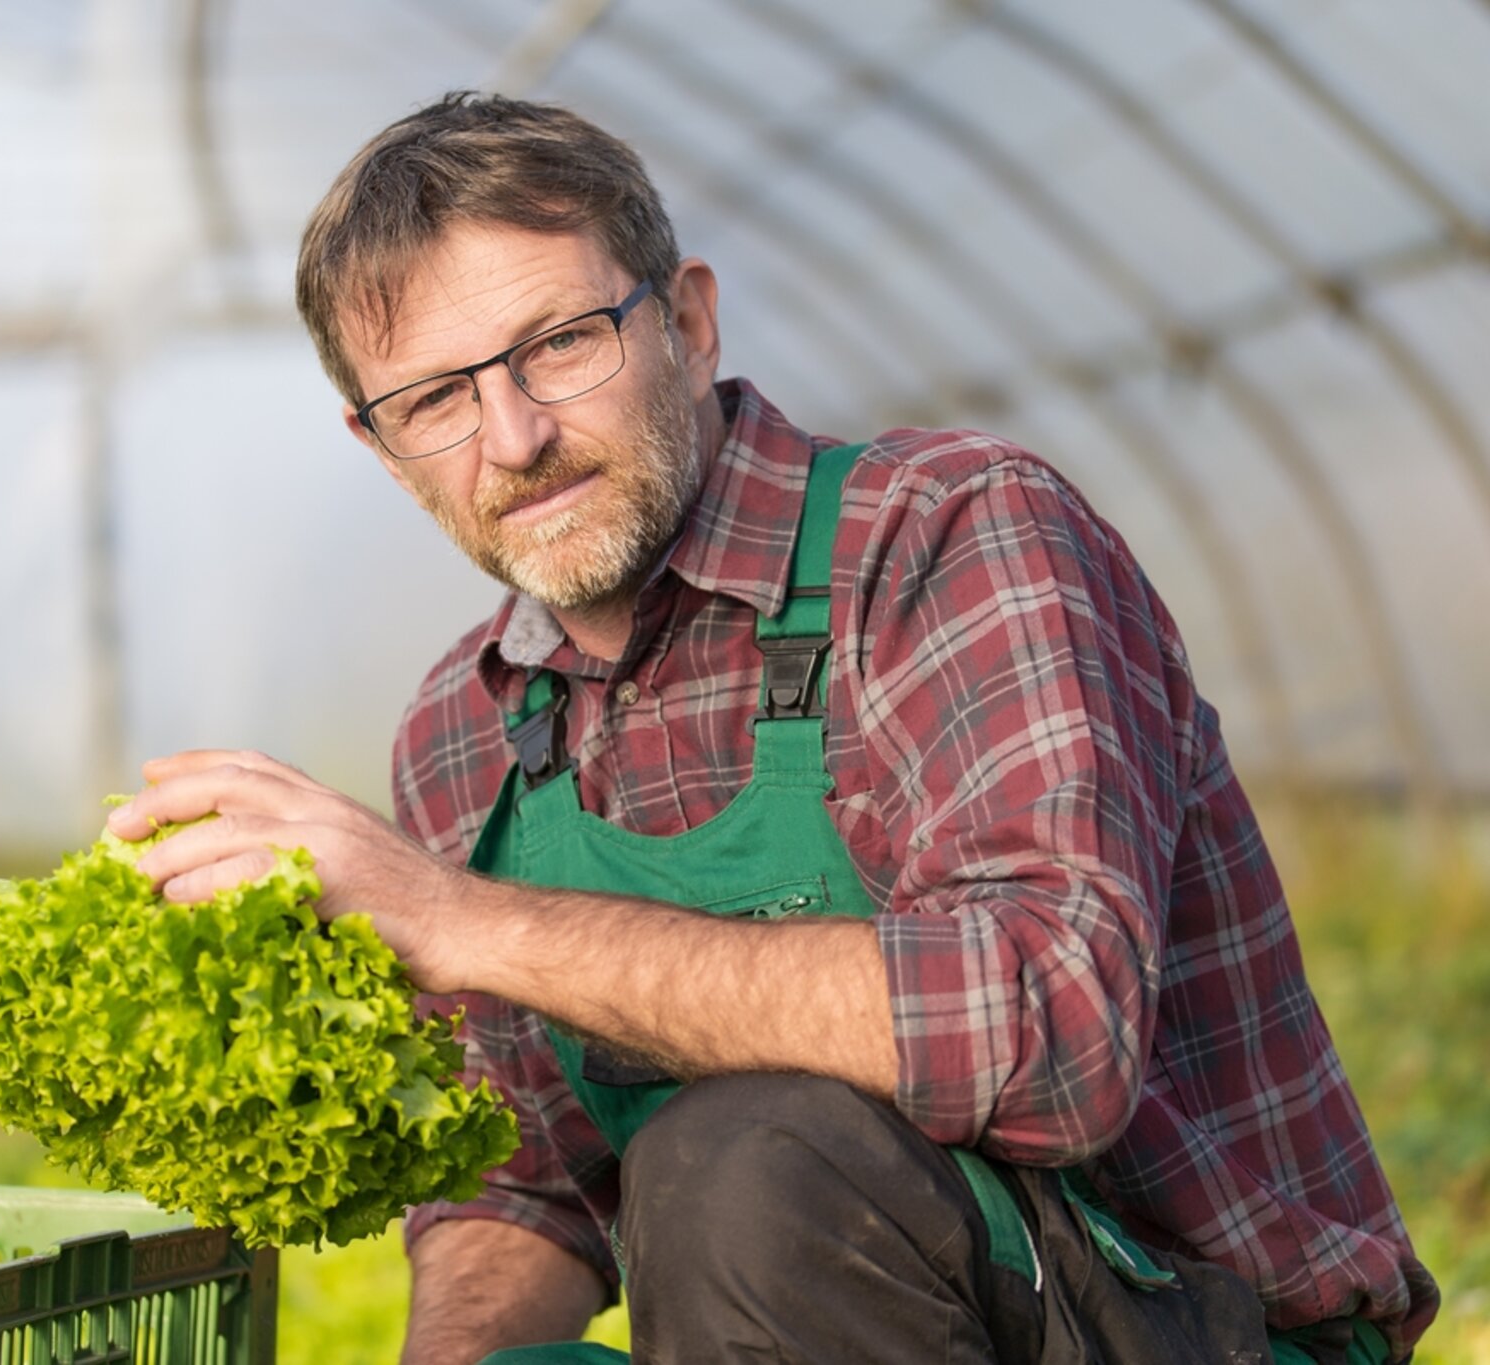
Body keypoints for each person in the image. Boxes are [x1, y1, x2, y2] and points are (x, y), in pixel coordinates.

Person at [106, 93, 1436, 1364]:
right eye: (435, 400)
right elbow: (535, 1188)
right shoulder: (466, 735)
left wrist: (462, 921)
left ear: (688, 323)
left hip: (1193, 1324)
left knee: (748, 1160)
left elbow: (1052, 1030)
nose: (512, 437)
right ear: (379, 444)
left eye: (562, 343)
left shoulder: (945, 537)